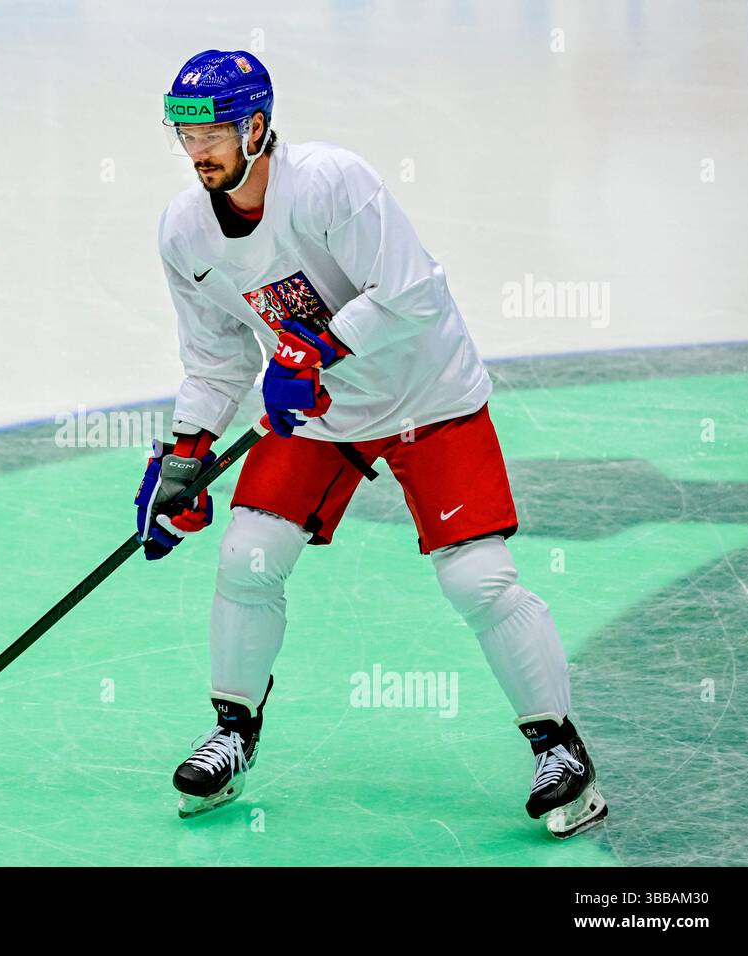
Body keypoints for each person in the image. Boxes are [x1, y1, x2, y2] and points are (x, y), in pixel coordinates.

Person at [135, 49, 608, 838]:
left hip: (426, 390)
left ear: (256, 126)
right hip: (319, 413)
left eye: (212, 130)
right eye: (183, 134)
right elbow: (217, 360)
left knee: (478, 579)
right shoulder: (186, 232)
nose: (198, 151)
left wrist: (315, 347)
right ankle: (232, 732)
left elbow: (412, 292)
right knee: (246, 557)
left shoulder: (330, 182)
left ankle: (559, 747)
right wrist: (185, 454)